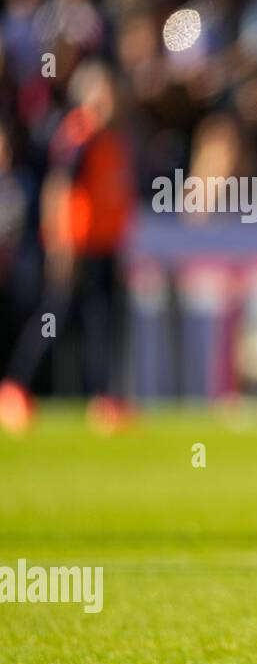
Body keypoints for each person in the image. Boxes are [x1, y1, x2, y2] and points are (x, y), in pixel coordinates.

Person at [0, 60, 134, 434]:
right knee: (52, 320)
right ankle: (15, 388)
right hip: (77, 249)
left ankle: (102, 399)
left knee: (103, 326)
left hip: (105, 248)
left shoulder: (113, 138)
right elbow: (59, 189)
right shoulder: (79, 135)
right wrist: (61, 246)